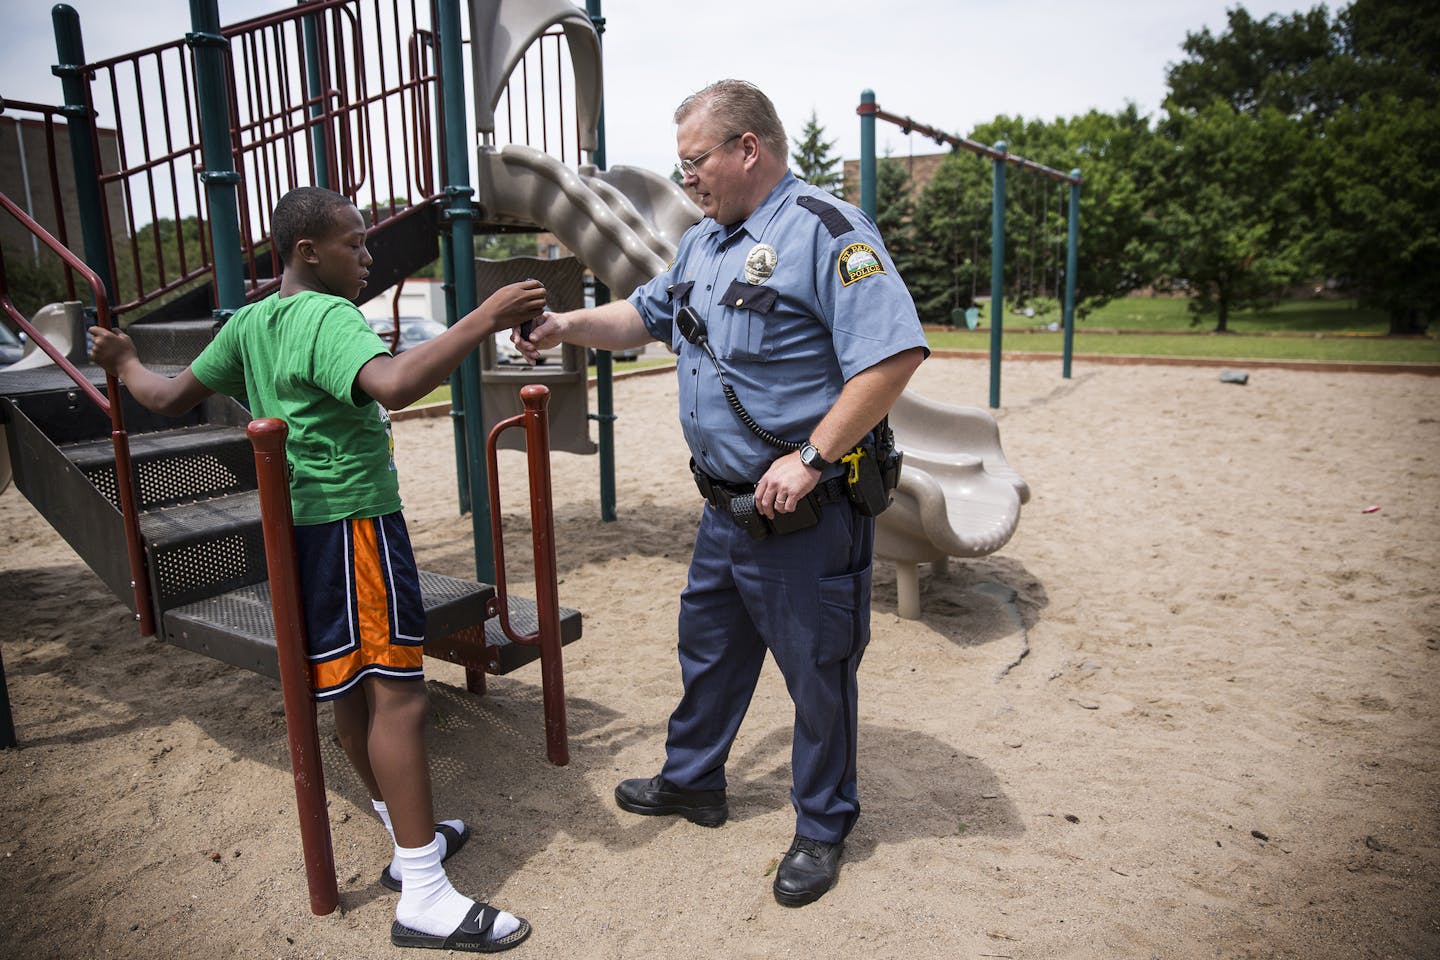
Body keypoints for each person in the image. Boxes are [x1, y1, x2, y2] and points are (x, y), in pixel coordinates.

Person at [90, 186, 545, 952]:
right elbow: (394, 385)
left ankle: (409, 840)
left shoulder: (249, 323)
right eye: (354, 243)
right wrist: (482, 318)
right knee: (399, 696)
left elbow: (166, 397)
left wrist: (126, 359)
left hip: (300, 530)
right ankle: (424, 893)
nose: (367, 256)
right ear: (308, 251)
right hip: (353, 523)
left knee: (349, 686)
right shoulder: (328, 316)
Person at [515, 79, 928, 906]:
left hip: (806, 513)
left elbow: (892, 358)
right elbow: (645, 316)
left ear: (749, 148)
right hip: (725, 510)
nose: (687, 177)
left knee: (817, 677)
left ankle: (822, 825)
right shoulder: (704, 242)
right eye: (681, 164)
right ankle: (694, 781)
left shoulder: (827, 231)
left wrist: (811, 457)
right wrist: (567, 326)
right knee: (708, 652)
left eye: (696, 160)